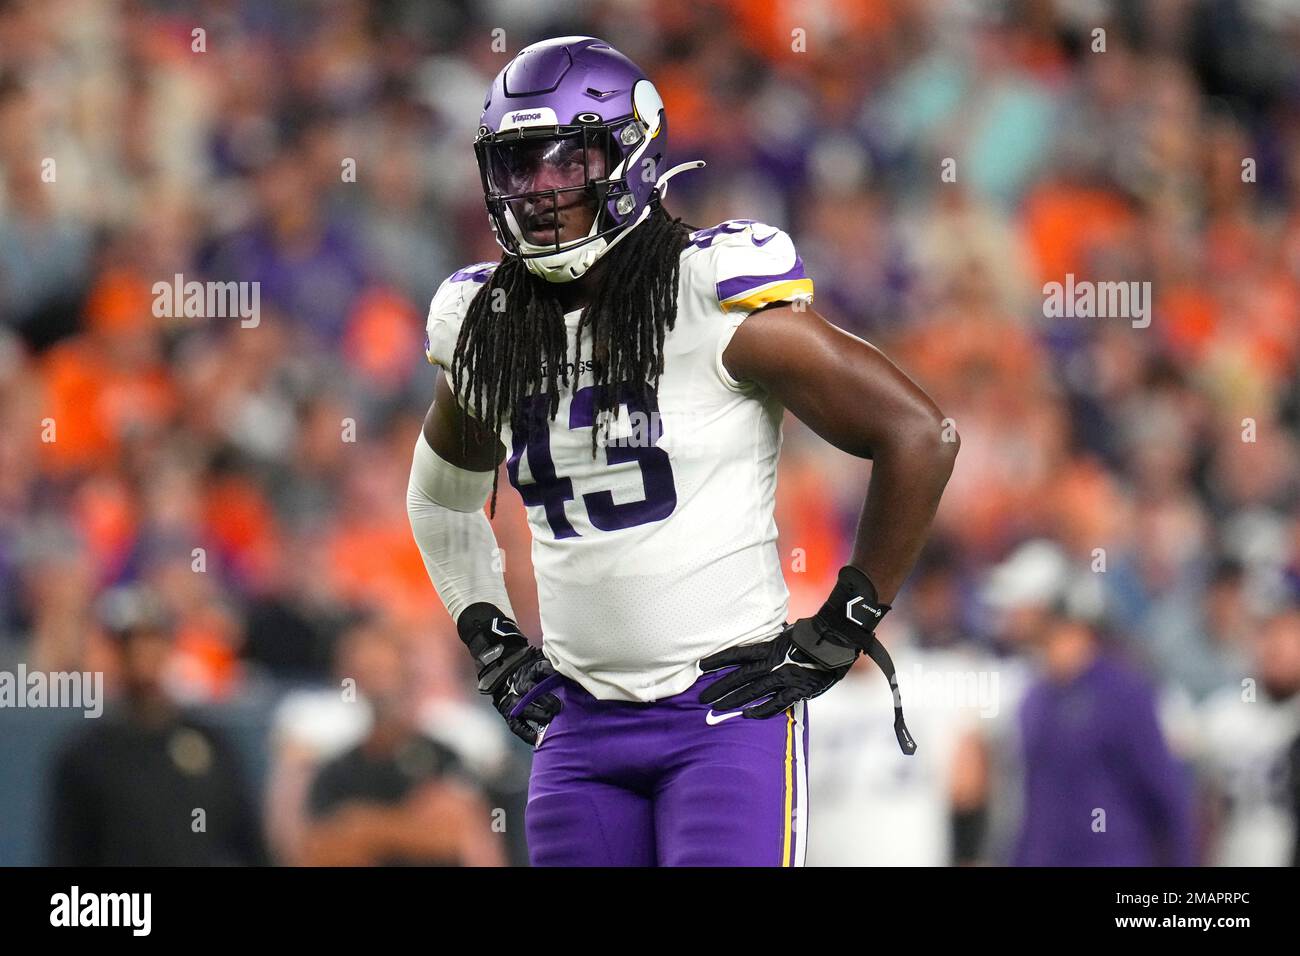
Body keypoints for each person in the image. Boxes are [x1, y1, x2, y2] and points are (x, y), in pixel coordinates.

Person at [407, 36, 958, 866]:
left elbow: (919, 434)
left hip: (722, 715)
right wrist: (488, 634)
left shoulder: (708, 293)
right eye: (519, 167)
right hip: (581, 727)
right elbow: (443, 496)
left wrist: (848, 619)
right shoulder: (484, 326)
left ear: (630, 156)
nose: (541, 192)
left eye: (567, 162)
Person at [47, 585, 266, 866]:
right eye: (130, 644)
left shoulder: (210, 743)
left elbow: (250, 845)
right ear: (112, 653)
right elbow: (66, 855)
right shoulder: (85, 755)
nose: (143, 655)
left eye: (152, 640)